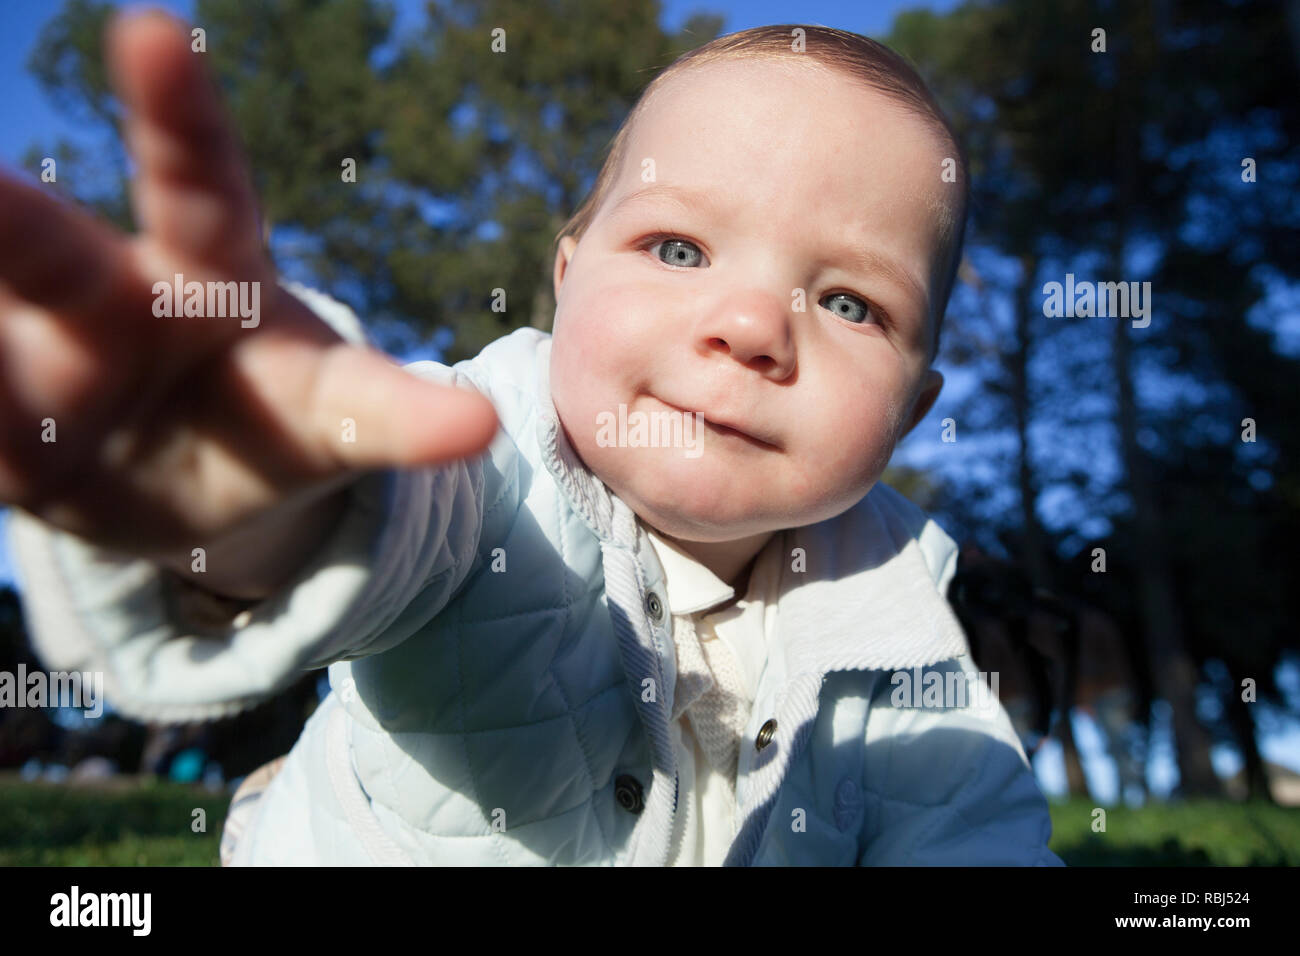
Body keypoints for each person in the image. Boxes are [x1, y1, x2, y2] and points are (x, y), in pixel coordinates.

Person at [2, 10, 1063, 866]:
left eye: (848, 304)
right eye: (679, 246)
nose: (748, 327)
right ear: (566, 281)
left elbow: (971, 824)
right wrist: (254, 487)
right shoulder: (495, 453)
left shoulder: (893, 614)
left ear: (910, 413)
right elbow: (377, 522)